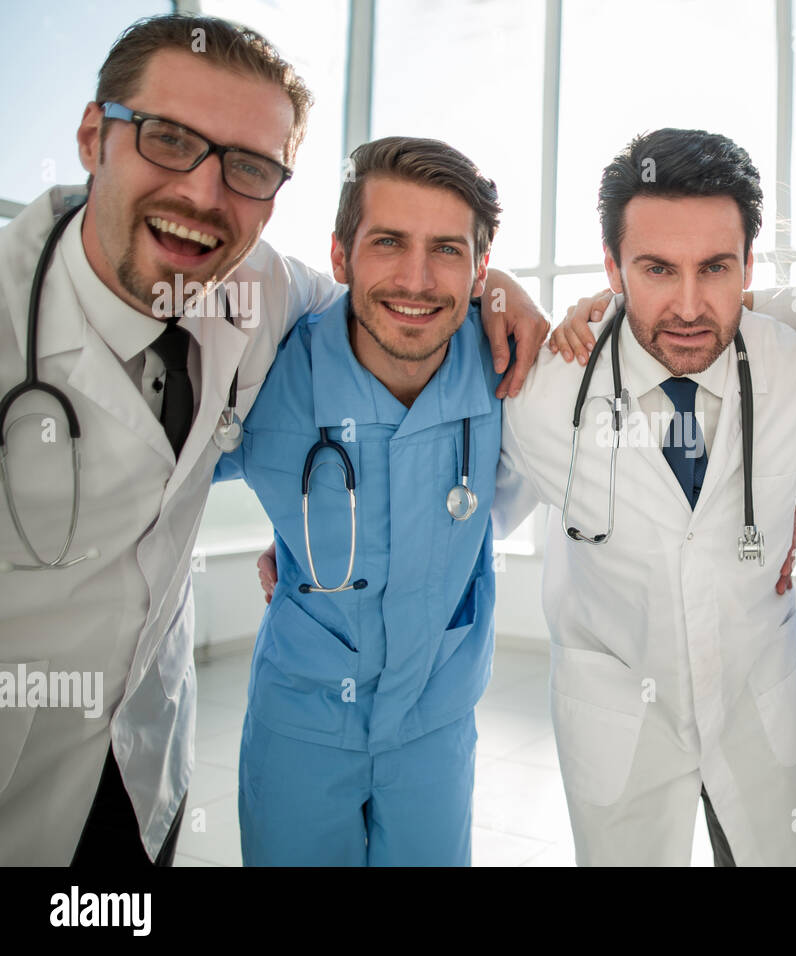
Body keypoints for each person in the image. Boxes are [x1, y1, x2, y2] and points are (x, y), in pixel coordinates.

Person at [0, 14, 545, 866]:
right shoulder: (285, 354)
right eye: (168, 138)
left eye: (249, 166)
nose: (204, 193)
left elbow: (390, 302)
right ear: (90, 137)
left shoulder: (260, 293)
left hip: (148, 752)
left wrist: (493, 288)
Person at [492, 128, 796, 866]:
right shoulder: (539, 397)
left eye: (716, 267)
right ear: (612, 269)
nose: (689, 306)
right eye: (656, 268)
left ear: (749, 267)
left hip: (754, 693)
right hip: (616, 705)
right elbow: (459, 505)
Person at [214, 137, 528, 865]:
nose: (416, 280)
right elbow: (153, 484)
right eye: (388, 242)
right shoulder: (268, 375)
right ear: (340, 255)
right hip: (302, 722)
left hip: (434, 727)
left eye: (447, 250)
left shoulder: (510, 370)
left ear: (481, 270)